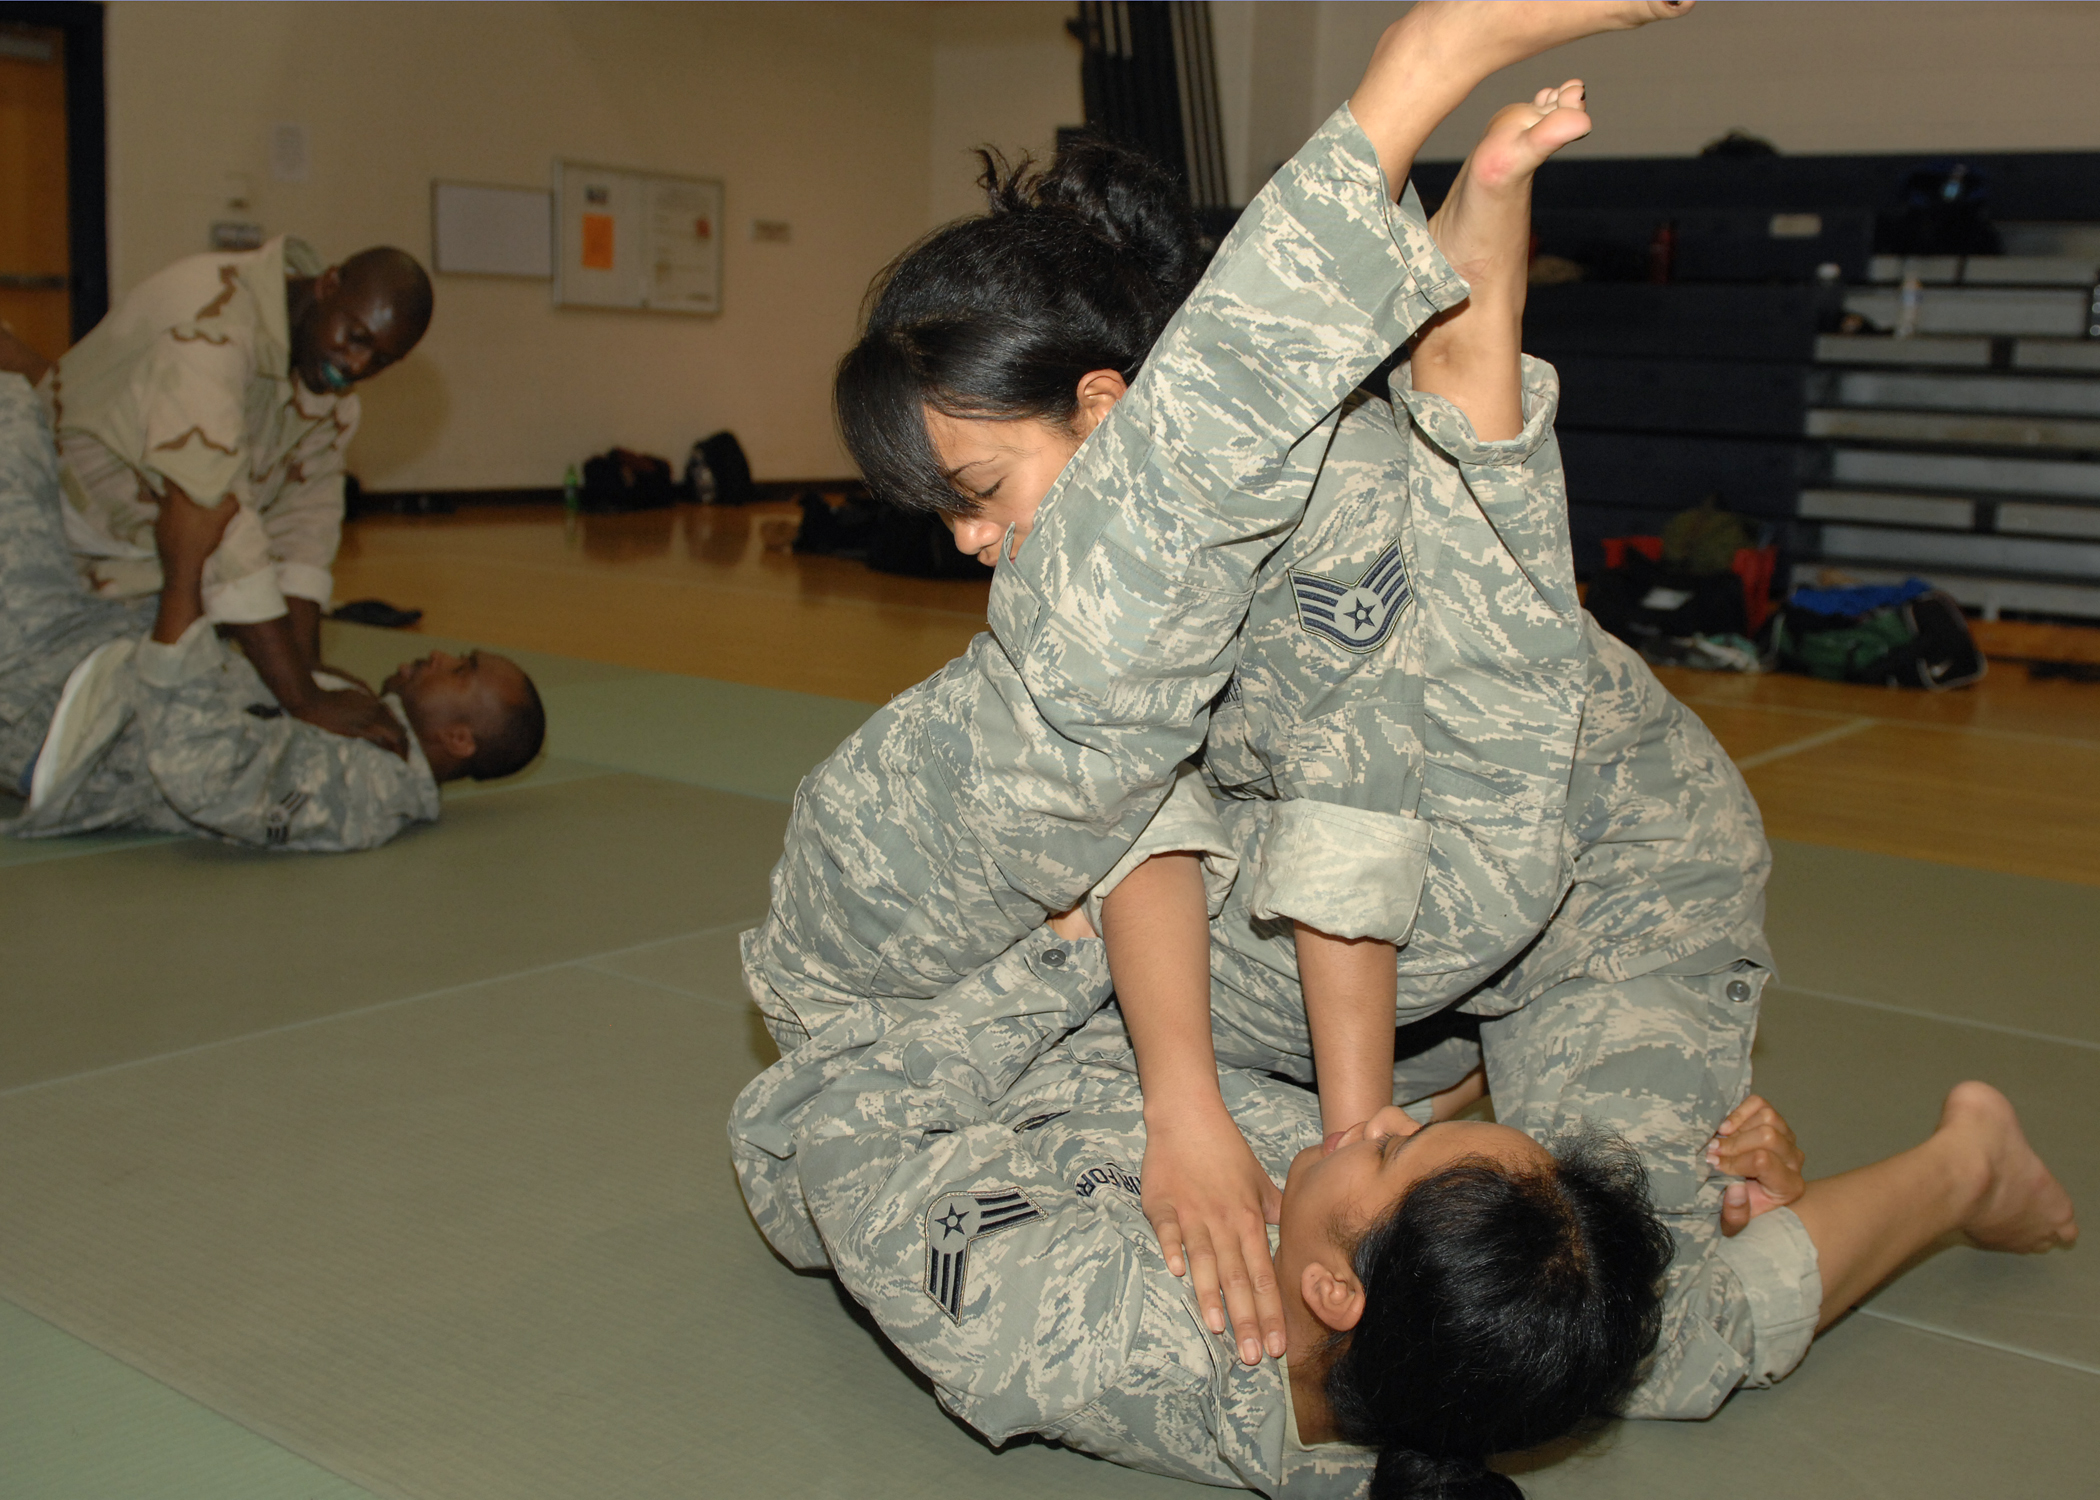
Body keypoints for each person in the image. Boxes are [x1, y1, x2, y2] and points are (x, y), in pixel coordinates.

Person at [758, 932, 2071, 1497]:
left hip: (919, 1043)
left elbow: (844, 1118)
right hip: (1157, 1064)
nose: (1385, 1115)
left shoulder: (1052, 1316)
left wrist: (1072, 938)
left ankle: (1953, 1174)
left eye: (1395, 1150)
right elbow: (1416, 1182)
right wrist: (1735, 1198)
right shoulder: (1426, 1370)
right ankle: (1965, 1166)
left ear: (1336, 1289)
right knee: (1655, 1338)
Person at [0, 373, 544, 851]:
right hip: (87, 653)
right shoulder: (368, 719)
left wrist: (183, 571)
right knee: (25, 401)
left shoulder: (369, 789)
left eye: (461, 670)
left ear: (458, 740)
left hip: (48, 704)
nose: (440, 656)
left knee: (10, 411)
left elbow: (202, 770)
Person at [33, 234, 434, 754]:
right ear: (328, 283)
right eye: (356, 337)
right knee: (65, 733)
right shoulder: (208, 325)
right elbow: (219, 522)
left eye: (381, 360)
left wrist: (308, 669)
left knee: (195, 705)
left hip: (139, 555)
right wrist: (304, 698)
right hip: (39, 523)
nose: (357, 366)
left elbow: (305, 524)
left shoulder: (325, 378)